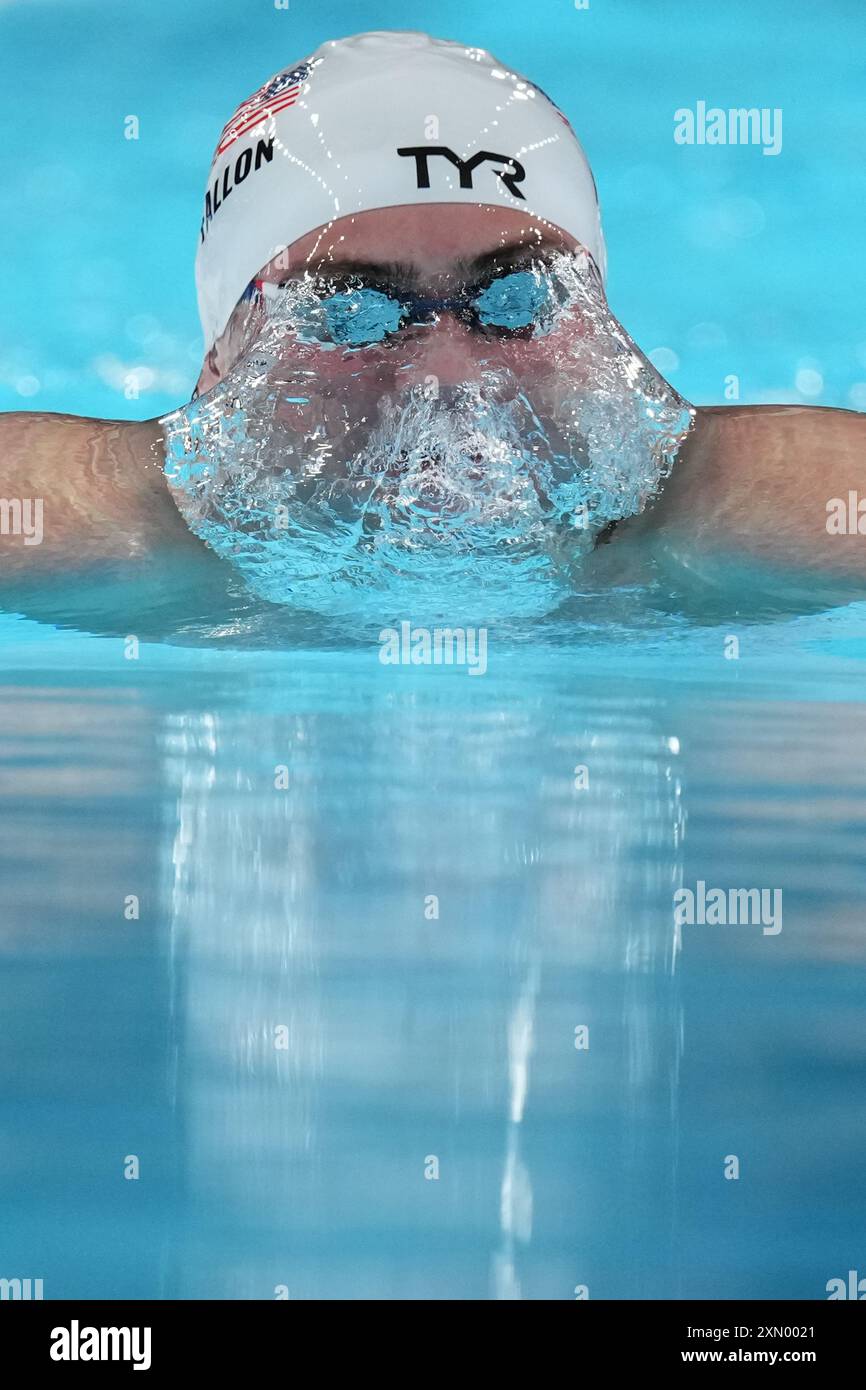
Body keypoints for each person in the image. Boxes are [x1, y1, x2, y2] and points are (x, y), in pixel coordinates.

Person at [1, 30, 864, 590]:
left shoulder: (750, 513)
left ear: (603, 326)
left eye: (518, 298)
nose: (449, 372)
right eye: (349, 310)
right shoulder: (95, 536)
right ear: (224, 353)